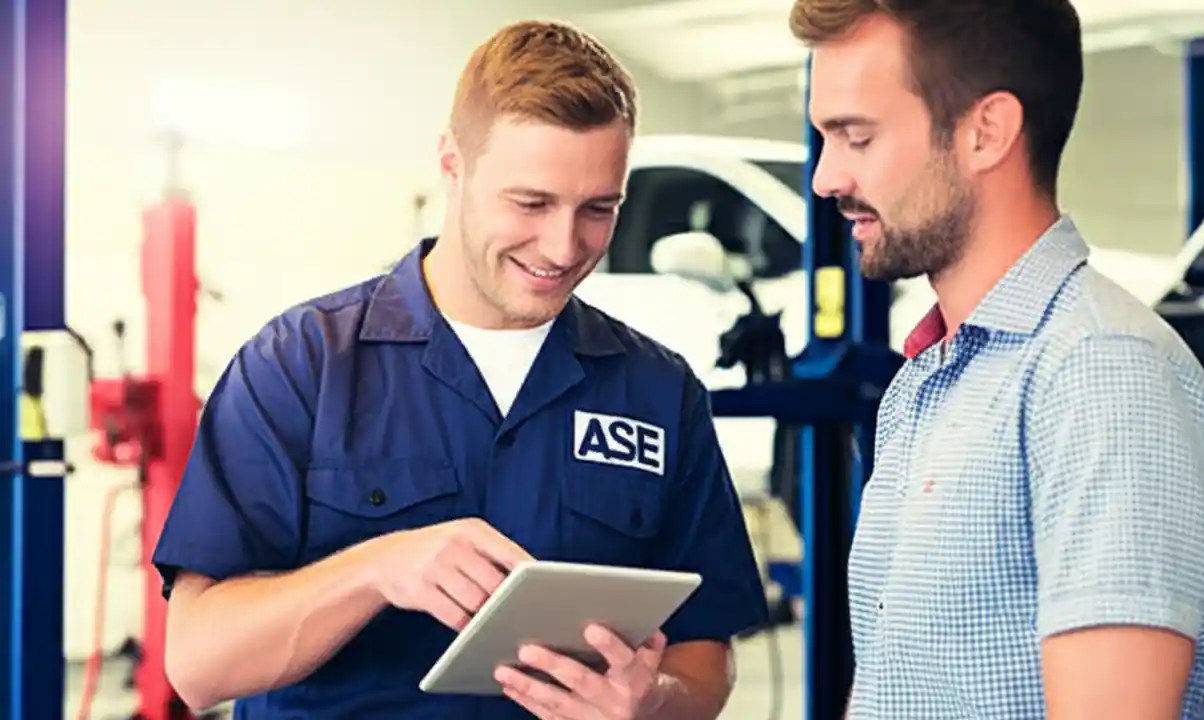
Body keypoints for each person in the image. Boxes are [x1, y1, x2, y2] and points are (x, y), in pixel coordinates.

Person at [152, 19, 767, 719]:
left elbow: (704, 653)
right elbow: (199, 663)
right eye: (530, 203)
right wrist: (377, 569)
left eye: (599, 209)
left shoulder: (658, 392)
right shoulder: (299, 368)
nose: (563, 246)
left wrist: (650, 703)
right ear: (452, 164)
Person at [790, 1, 1204, 718]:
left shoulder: (1102, 374)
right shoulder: (929, 379)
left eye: (856, 138)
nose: (825, 178)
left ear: (986, 132)